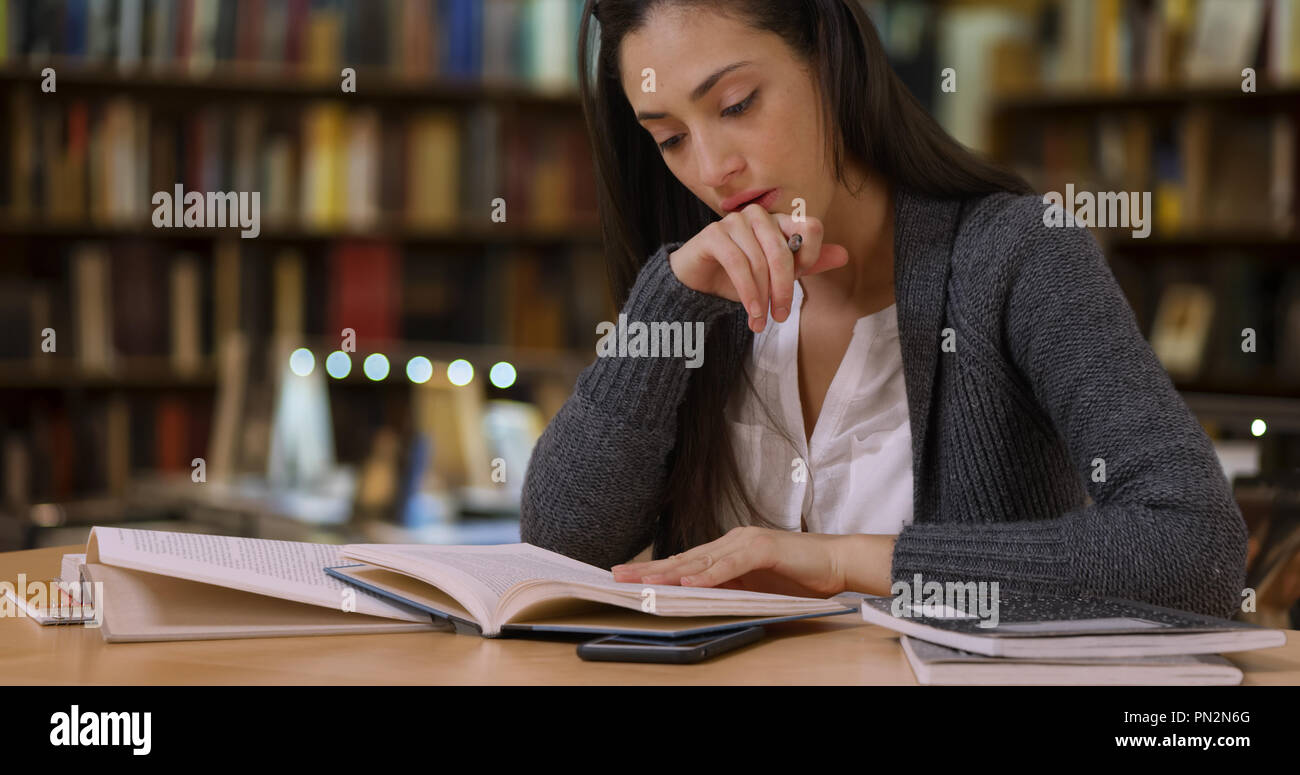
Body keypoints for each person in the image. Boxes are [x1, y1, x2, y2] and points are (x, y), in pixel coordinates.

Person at [520, 0, 1247, 619]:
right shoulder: (698, 285)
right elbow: (560, 542)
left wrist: (843, 560)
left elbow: (1194, 549)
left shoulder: (1018, 255)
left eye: (737, 104)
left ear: (830, 60)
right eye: (671, 138)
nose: (712, 169)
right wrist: (663, 305)